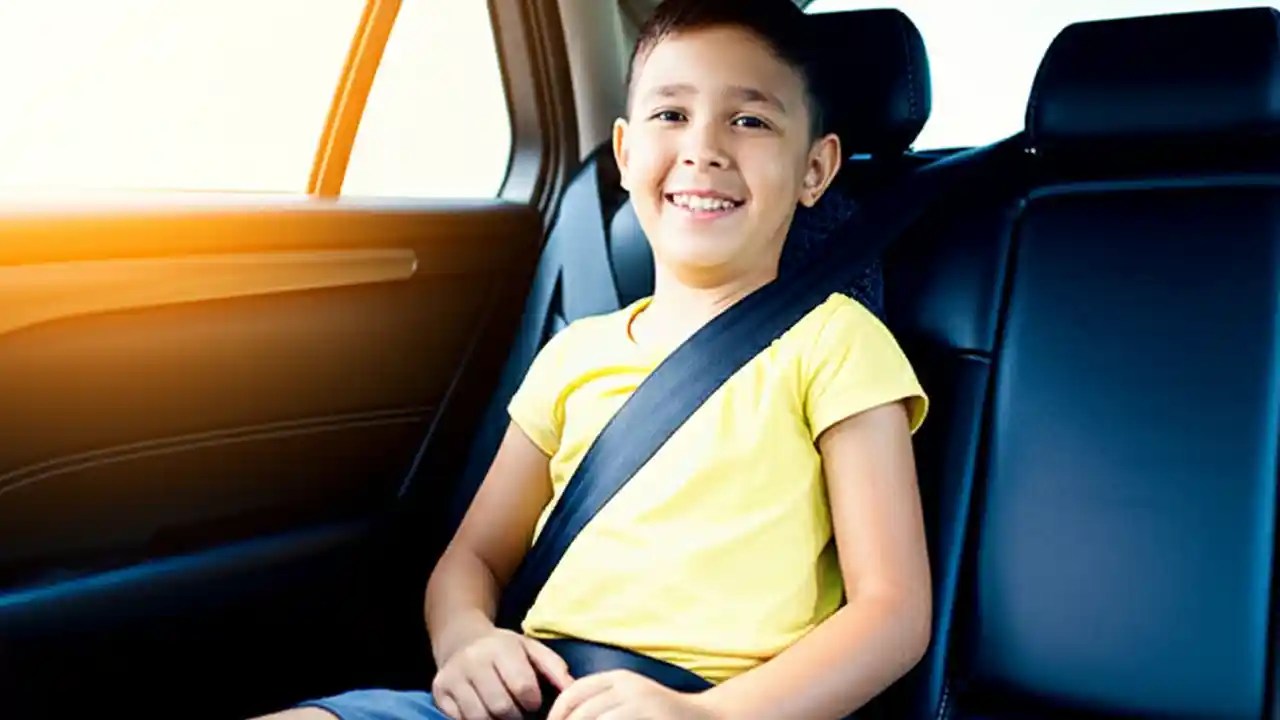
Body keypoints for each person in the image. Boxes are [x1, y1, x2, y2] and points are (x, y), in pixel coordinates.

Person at [260, 0, 930, 717]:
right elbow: (473, 558)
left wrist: (710, 715)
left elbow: (891, 612)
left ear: (815, 169)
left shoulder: (836, 342)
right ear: (625, 152)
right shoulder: (575, 353)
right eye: (671, 115)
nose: (703, 147)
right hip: (534, 698)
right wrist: (466, 641)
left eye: (750, 119)